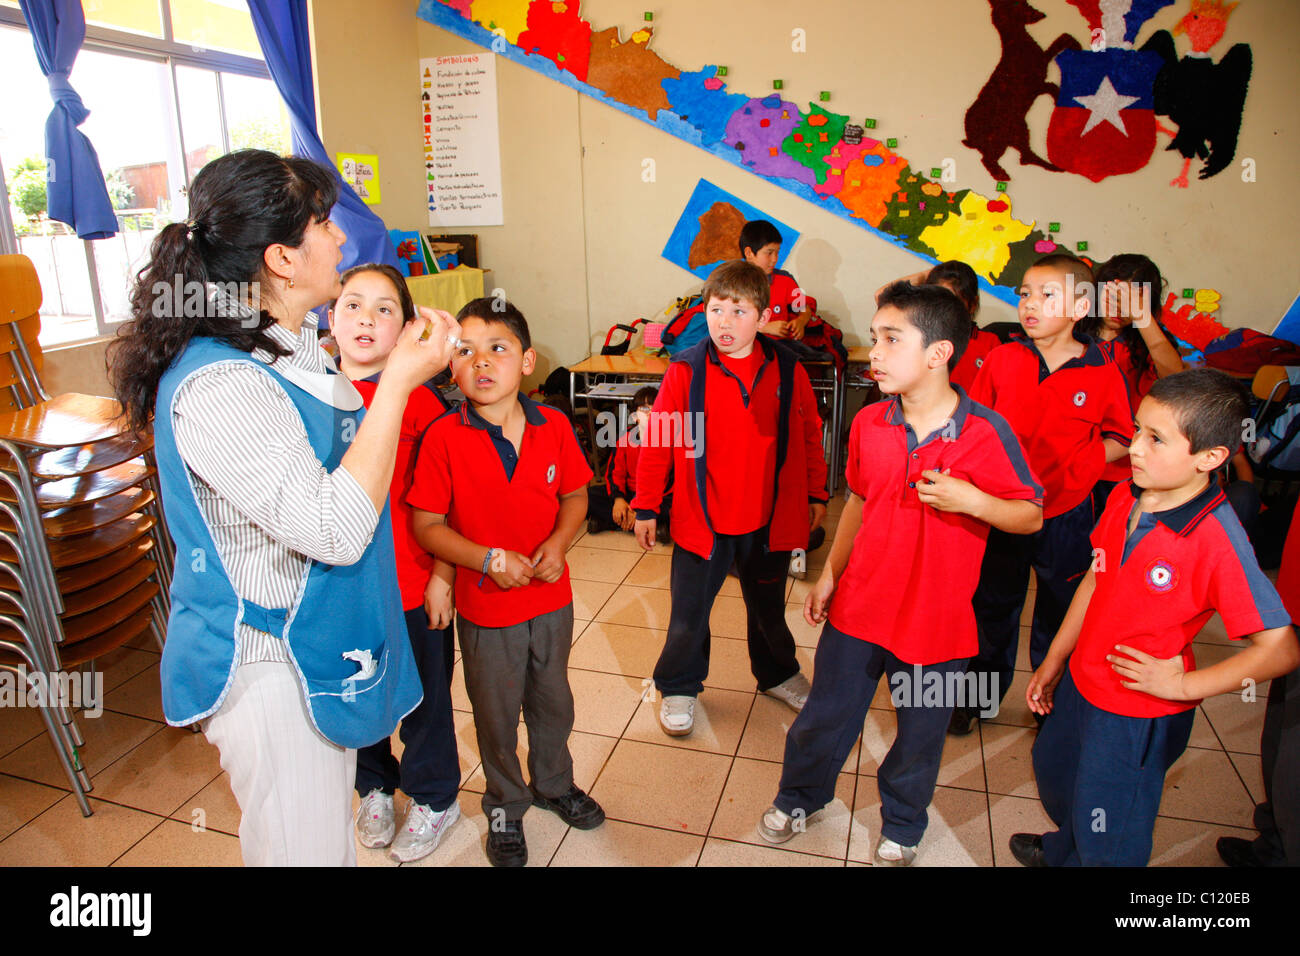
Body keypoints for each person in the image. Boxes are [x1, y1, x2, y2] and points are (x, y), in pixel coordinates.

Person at [109, 149, 461, 866]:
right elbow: (333, 527)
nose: (340, 239)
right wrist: (396, 384)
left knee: (322, 843)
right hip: (270, 667)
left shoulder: (295, 348)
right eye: (324, 224)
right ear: (280, 258)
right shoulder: (221, 386)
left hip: (315, 645)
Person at [757, 282, 1042, 865]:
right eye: (874, 337)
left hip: (937, 622)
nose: (876, 353)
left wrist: (974, 501)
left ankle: (904, 825)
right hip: (861, 606)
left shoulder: (986, 432)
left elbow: (1031, 513)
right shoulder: (868, 423)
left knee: (919, 735)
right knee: (825, 717)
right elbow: (859, 501)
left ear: (939, 354)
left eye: (892, 339)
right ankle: (800, 797)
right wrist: (832, 574)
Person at [1016, 369, 1299, 866]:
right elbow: (1095, 578)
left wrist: (1185, 687)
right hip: (1084, 683)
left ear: (1209, 458)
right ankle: (1066, 850)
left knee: (1111, 823)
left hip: (1135, 710)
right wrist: (1056, 659)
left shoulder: (1216, 539)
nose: (1135, 448)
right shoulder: (1126, 494)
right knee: (1061, 777)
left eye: (1155, 439)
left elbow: (1279, 649)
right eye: (1137, 430)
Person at [409, 297, 604, 867]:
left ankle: (554, 782)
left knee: (553, 701)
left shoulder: (555, 425)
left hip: (551, 599)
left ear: (528, 361)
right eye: (465, 351)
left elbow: (574, 495)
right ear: (451, 366)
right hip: (486, 608)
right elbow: (427, 525)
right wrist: (486, 558)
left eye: (498, 348)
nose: (482, 363)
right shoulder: (444, 436)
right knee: (494, 712)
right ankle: (504, 804)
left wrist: (559, 543)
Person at [632, 260, 829, 736]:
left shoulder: (787, 367)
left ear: (762, 318)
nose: (724, 321)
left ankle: (779, 674)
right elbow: (658, 439)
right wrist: (645, 505)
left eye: (738, 311)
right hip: (704, 521)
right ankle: (679, 685)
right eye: (716, 309)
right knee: (688, 614)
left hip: (767, 521)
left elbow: (809, 431)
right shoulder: (686, 370)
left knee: (766, 612)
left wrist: (817, 492)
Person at [951, 254, 1133, 734]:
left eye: (1046, 295)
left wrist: (1089, 461)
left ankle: (1050, 702)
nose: (1030, 305)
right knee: (992, 608)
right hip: (1005, 511)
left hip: (1069, 513)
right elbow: (974, 424)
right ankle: (976, 700)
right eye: (1025, 294)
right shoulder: (1004, 359)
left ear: (1079, 307)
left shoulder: (1102, 369)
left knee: (1060, 610)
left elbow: (1122, 436)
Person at [330, 263, 462, 862]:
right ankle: (375, 785)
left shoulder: (424, 403)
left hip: (413, 583)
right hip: (343, 589)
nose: (366, 318)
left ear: (407, 329)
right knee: (360, 691)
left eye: (385, 309)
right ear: (329, 320)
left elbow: (454, 501)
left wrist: (442, 574)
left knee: (426, 699)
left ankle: (435, 796)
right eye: (353, 304)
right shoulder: (309, 394)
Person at [1078, 253, 1185, 510]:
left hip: (1124, 469)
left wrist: (1141, 315)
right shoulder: (1074, 333)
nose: (1117, 309)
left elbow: (1175, 378)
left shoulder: (1147, 344)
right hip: (1073, 461)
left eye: (1129, 303)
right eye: (1113, 298)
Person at [874, 259, 1000, 391]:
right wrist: (925, 277)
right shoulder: (920, 339)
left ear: (972, 304)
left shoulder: (990, 343)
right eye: (938, 302)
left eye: (954, 302)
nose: (945, 310)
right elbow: (881, 296)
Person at [740, 219, 847, 371]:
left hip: (783, 349)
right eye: (769, 253)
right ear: (749, 253)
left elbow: (804, 309)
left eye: (777, 252)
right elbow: (730, 322)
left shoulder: (786, 280)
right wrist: (763, 327)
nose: (775, 259)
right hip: (747, 349)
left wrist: (801, 321)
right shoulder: (733, 283)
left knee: (794, 358)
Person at [586, 385, 670, 540]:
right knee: (588, 496)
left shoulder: (669, 442)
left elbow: (671, 483)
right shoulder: (624, 441)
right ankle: (652, 527)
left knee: (676, 507)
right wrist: (619, 500)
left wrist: (643, 509)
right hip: (629, 494)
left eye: (656, 408)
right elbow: (614, 474)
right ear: (634, 417)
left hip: (656, 497)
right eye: (644, 409)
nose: (651, 413)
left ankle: (610, 522)